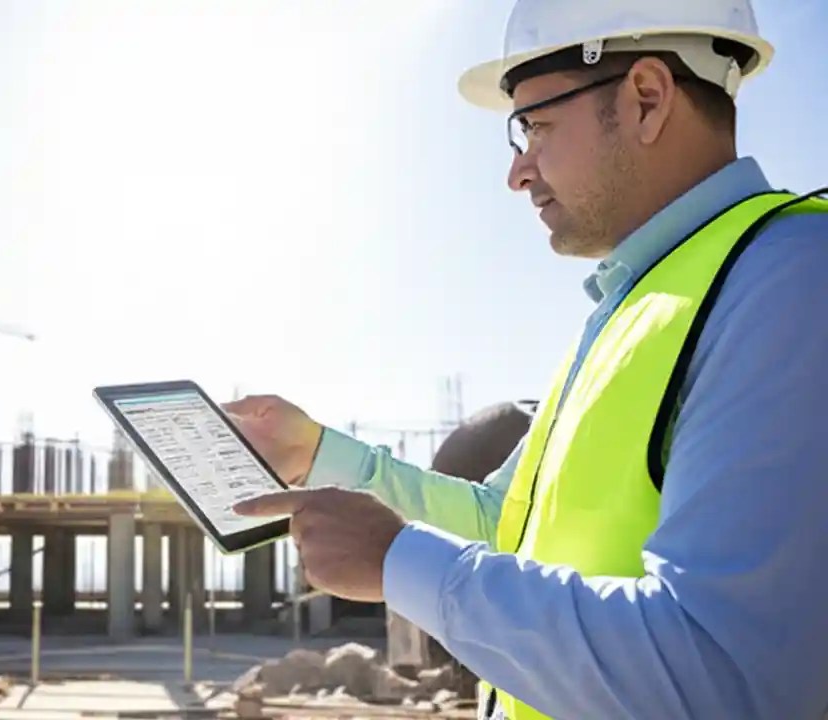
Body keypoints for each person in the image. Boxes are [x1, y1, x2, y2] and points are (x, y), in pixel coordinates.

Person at [222, 1, 828, 718]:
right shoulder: (638, 306)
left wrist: (400, 564)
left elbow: (726, 673)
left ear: (647, 98)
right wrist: (317, 455)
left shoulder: (790, 280)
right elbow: (504, 523)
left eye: (535, 126)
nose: (518, 173)